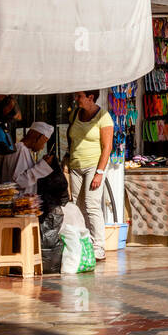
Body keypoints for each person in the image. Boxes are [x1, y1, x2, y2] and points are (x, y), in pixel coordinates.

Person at [68, 90, 114, 263]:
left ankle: (99, 246)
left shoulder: (104, 117)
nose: (76, 99)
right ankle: (82, 242)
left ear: (90, 98)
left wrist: (99, 172)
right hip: (75, 165)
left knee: (91, 204)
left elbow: (107, 147)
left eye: (79, 96)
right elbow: (71, 138)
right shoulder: (75, 114)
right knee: (76, 206)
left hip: (94, 165)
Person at [0, 122, 56, 195]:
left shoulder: (24, 150)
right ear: (36, 136)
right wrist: (43, 166)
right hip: (17, 202)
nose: (42, 147)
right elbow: (20, 181)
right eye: (43, 142)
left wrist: (42, 163)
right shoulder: (20, 150)